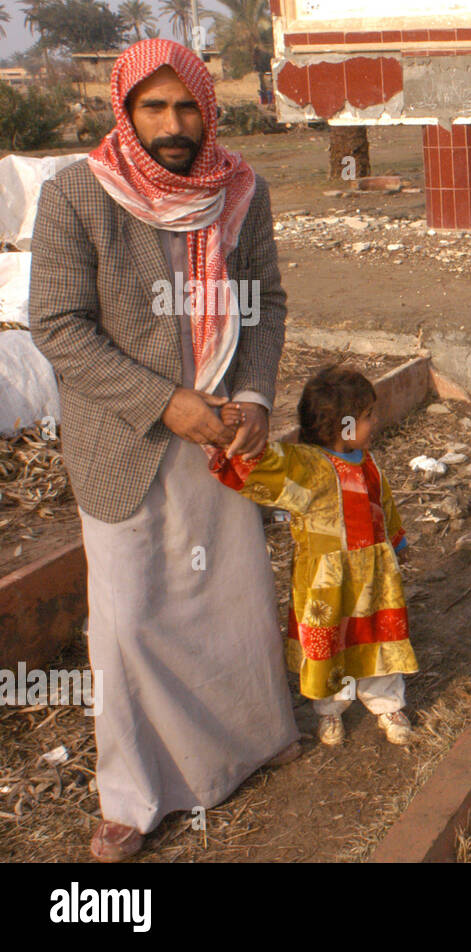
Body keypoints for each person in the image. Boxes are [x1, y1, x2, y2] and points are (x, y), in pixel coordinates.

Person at [28, 39, 298, 862]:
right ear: (125, 110)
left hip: (221, 433)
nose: (173, 124)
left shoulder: (238, 192)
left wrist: (250, 395)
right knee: (128, 619)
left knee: (225, 598)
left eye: (187, 107)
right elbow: (58, 326)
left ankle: (243, 747)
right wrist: (164, 401)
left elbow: (266, 303)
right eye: (154, 107)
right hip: (126, 438)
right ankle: (135, 797)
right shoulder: (79, 194)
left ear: (207, 109)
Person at [211, 366, 419, 746]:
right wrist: (224, 434)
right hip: (325, 582)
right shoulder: (304, 465)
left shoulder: (367, 462)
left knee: (375, 635)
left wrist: (397, 542)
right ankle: (330, 711)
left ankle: (388, 704)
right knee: (327, 642)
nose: (375, 421)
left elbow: (383, 506)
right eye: (368, 416)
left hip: (373, 574)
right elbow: (259, 464)